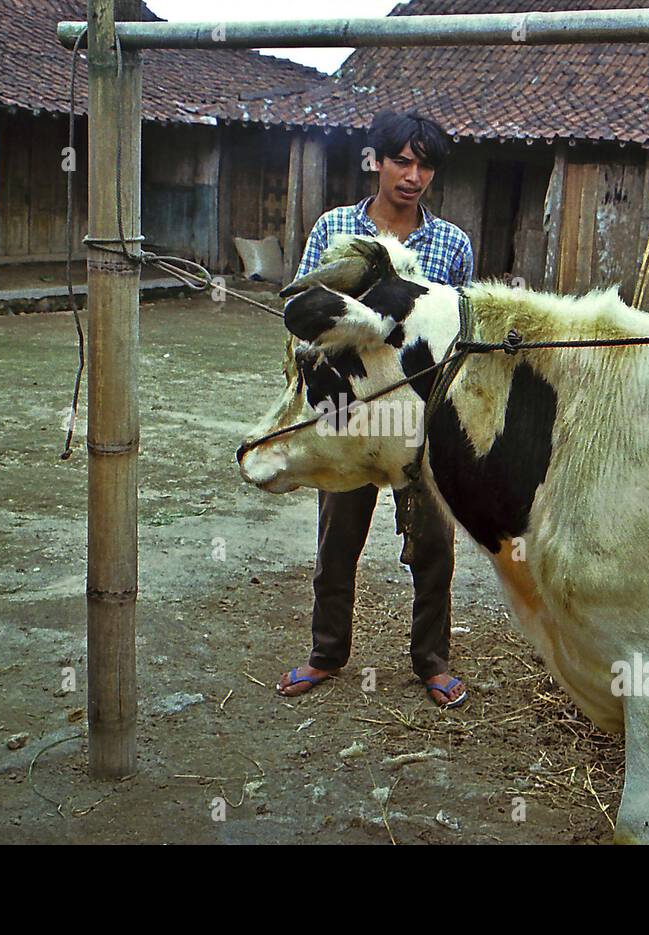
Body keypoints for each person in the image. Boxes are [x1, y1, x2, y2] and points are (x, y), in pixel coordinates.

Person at [276, 110, 475, 708]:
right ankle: (326, 654)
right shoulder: (336, 230)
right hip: (348, 406)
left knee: (433, 542)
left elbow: (462, 334)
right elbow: (306, 317)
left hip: (423, 414)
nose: (412, 176)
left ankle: (432, 661)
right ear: (377, 161)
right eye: (402, 161)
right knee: (338, 535)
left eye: (425, 165)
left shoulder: (452, 244)